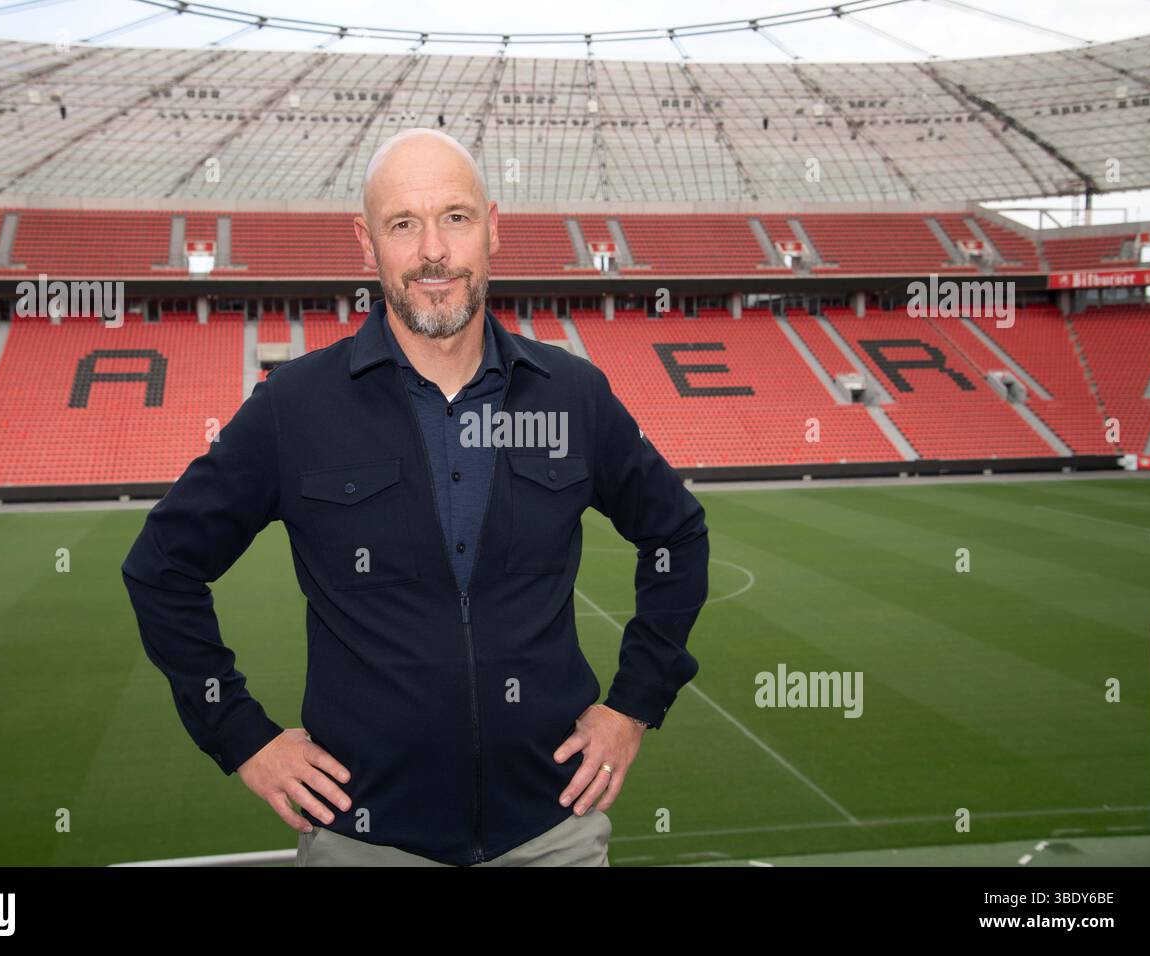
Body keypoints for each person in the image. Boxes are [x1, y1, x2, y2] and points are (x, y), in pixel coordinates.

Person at [121, 127, 709, 867]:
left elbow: (677, 537)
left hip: (553, 833)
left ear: (493, 228)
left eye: (455, 217)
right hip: (366, 841)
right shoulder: (296, 406)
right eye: (404, 224)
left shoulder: (572, 394)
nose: (434, 251)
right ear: (367, 245)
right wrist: (243, 737)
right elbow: (161, 568)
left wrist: (632, 705)